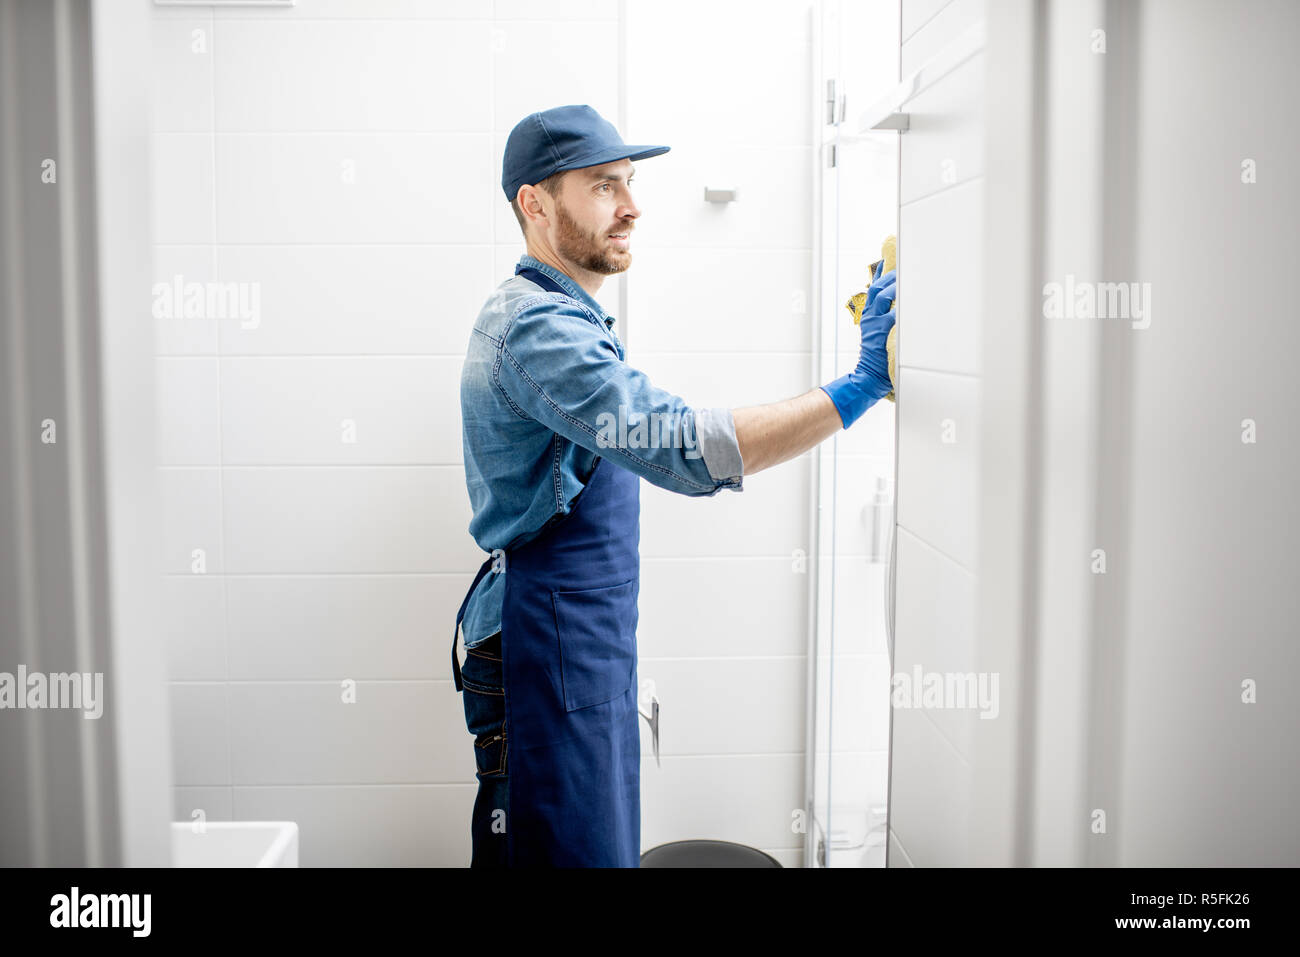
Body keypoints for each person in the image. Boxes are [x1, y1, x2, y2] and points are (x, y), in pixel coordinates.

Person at [452, 104, 897, 867]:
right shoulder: (537, 329)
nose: (630, 206)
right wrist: (856, 389)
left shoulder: (569, 314)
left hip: (577, 641)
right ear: (534, 204)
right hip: (545, 645)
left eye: (627, 183)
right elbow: (683, 447)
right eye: (602, 186)